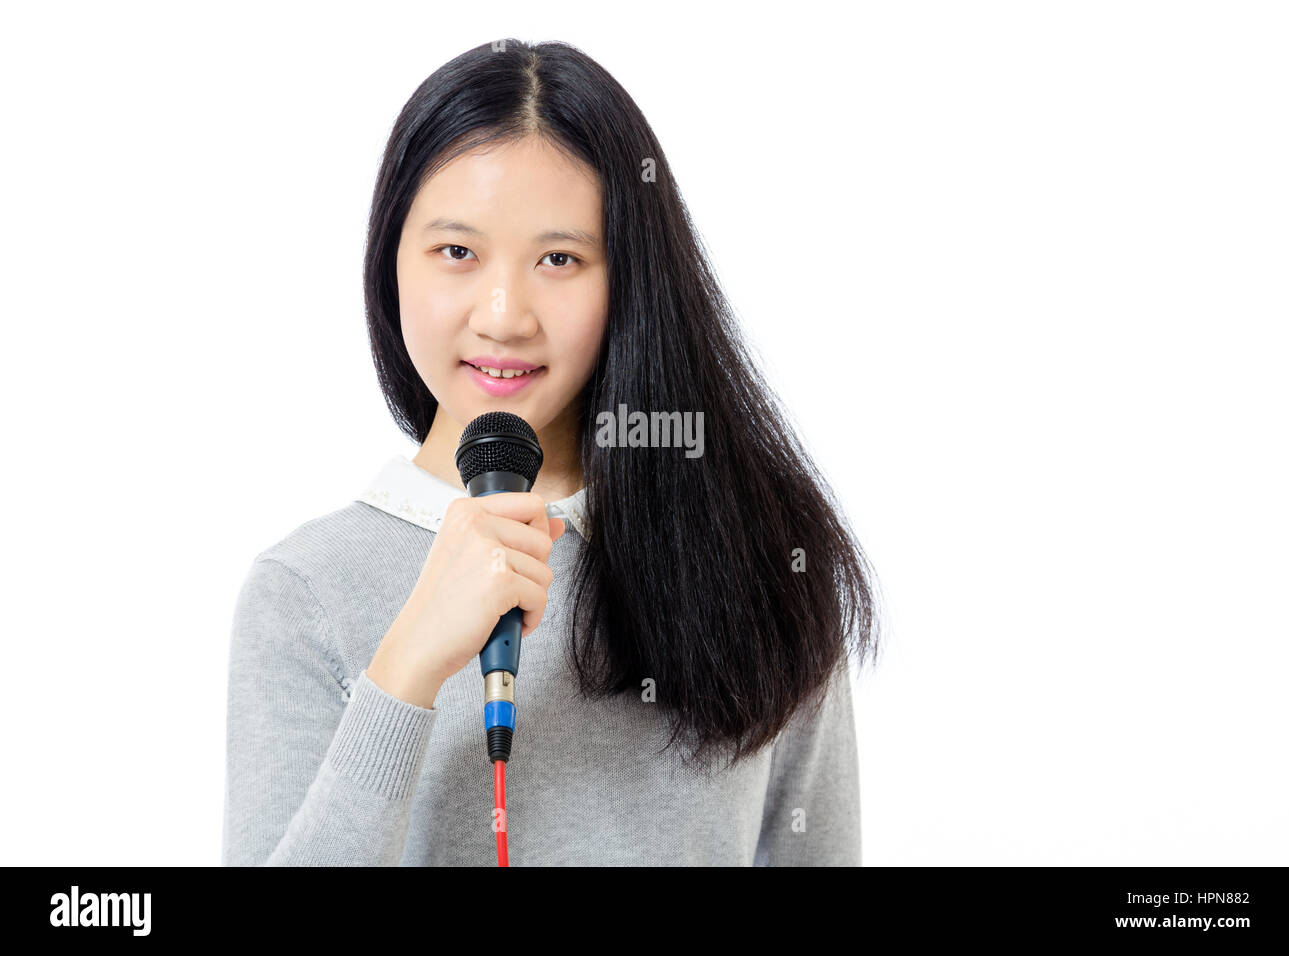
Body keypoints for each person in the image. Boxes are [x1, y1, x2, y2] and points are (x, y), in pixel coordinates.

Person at [222, 38, 880, 866]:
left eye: (559, 259)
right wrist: (409, 666)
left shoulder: (759, 559)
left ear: (628, 277)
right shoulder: (303, 594)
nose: (504, 314)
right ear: (390, 260)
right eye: (456, 252)